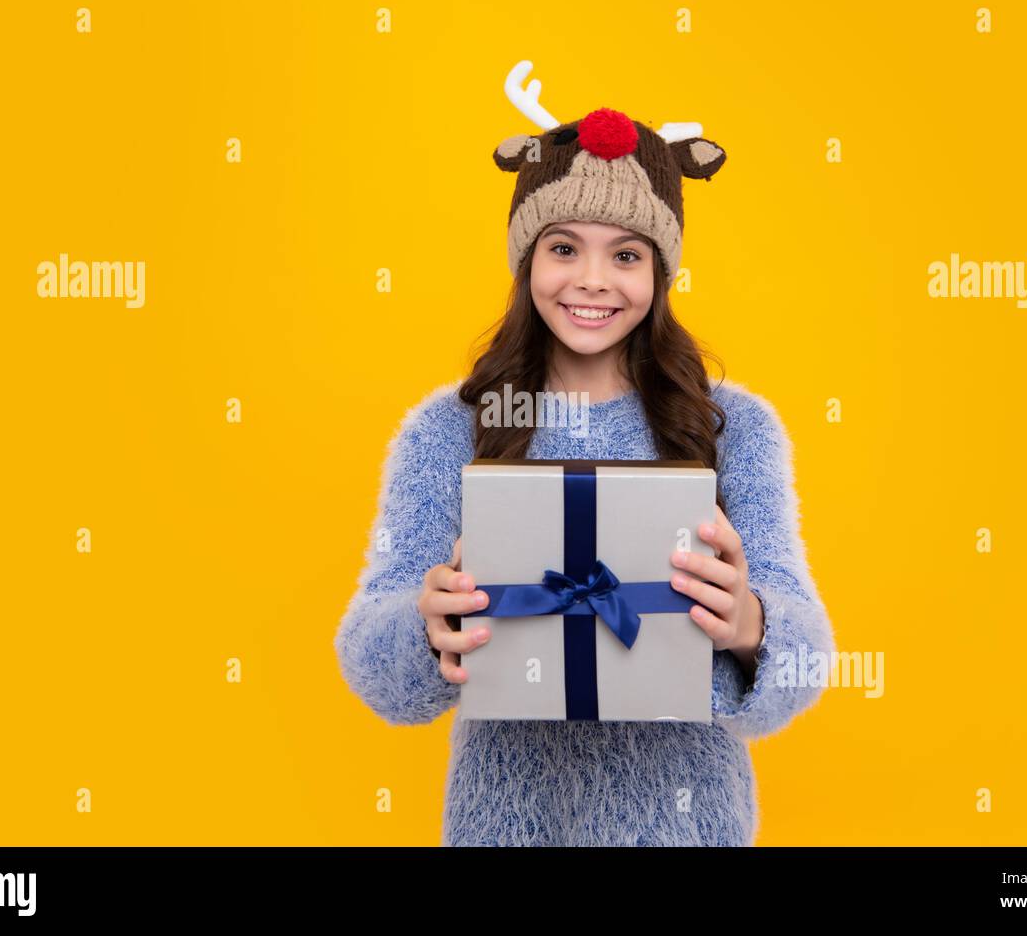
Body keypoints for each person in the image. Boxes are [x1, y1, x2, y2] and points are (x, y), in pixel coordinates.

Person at [334, 62, 834, 845]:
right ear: (526, 259)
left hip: (691, 824)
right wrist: (423, 624)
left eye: (627, 256)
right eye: (563, 247)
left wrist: (750, 623)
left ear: (661, 273)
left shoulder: (734, 427)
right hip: (506, 826)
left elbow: (806, 651)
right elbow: (372, 663)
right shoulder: (449, 428)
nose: (592, 281)